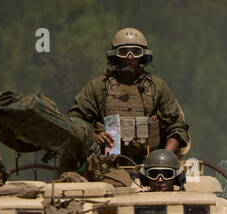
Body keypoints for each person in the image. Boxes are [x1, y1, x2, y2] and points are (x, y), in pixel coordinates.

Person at [67, 28, 189, 171]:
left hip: (150, 169)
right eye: (124, 52)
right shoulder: (99, 87)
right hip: (106, 167)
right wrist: (93, 136)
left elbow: (177, 127)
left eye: (135, 52)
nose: (130, 57)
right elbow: (74, 119)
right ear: (115, 55)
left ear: (142, 56)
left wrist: (164, 158)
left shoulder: (157, 87)